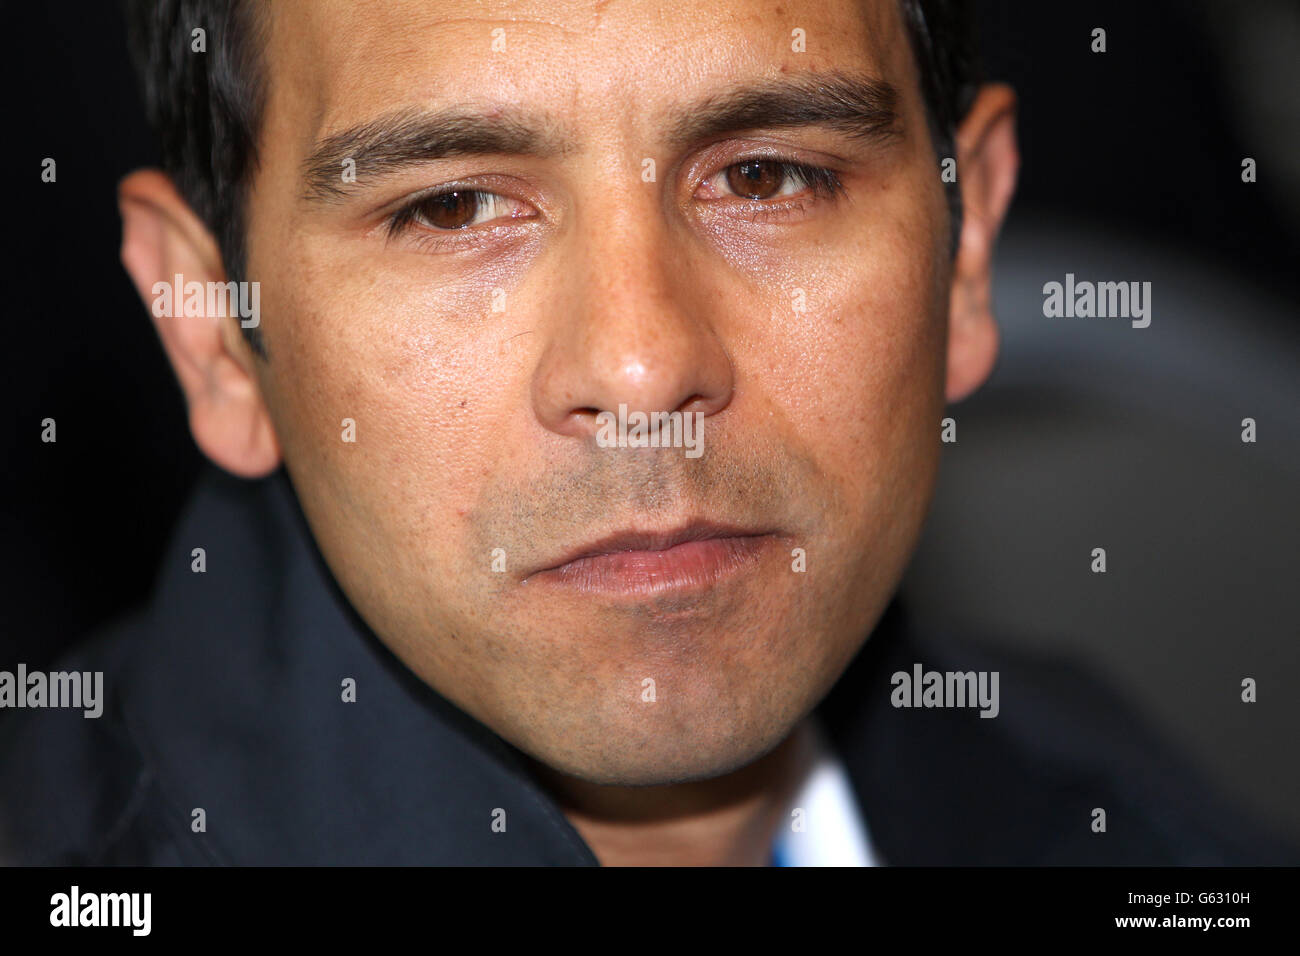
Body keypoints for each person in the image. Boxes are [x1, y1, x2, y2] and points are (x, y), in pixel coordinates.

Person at [0, 0, 1287, 866]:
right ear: (211, 329)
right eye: (451, 207)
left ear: (965, 259)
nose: (641, 359)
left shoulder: (1142, 827)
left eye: (768, 176)